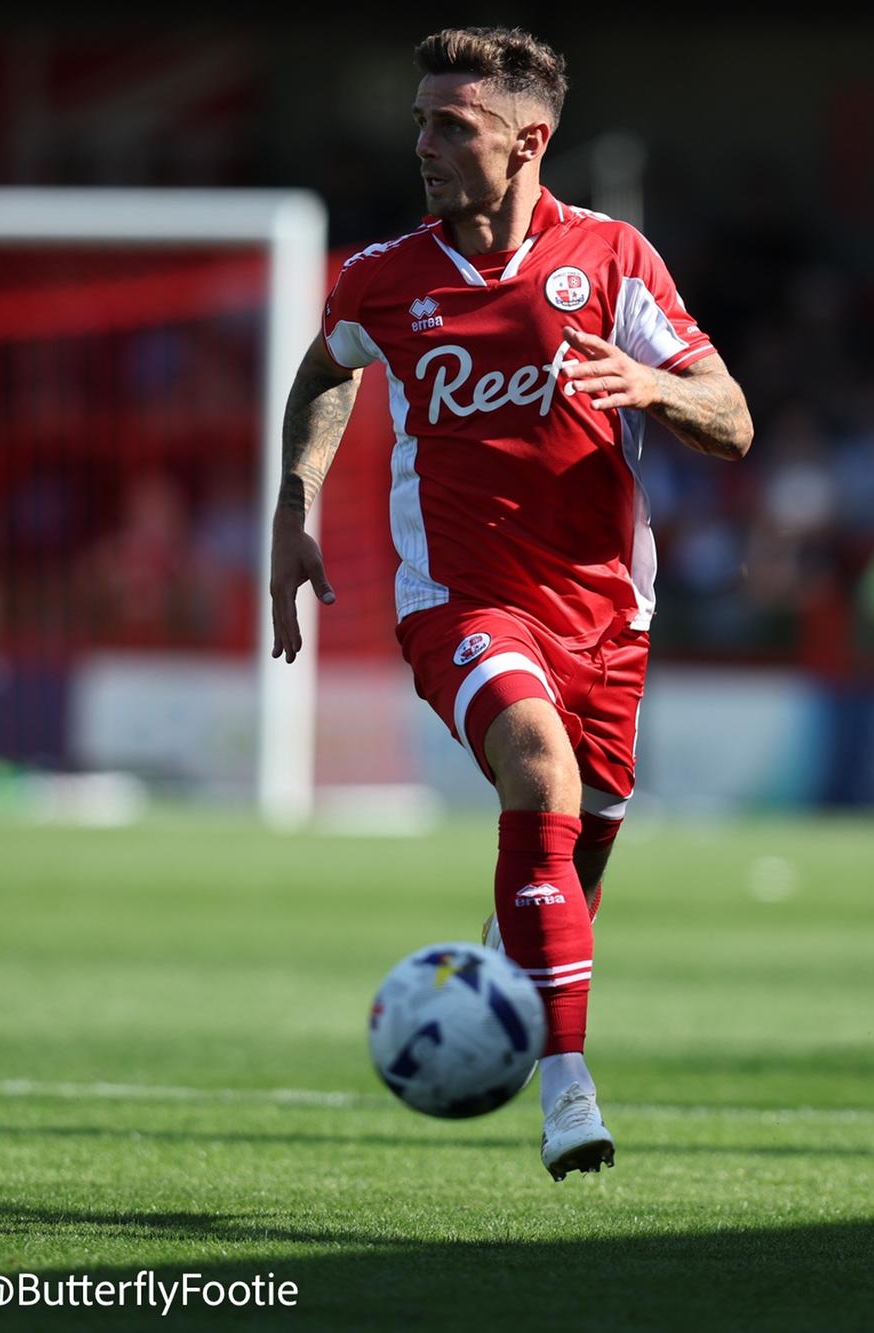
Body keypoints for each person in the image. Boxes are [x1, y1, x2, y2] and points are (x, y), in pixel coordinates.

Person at [268, 27, 752, 1179]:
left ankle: (513, 959)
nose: (424, 145)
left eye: (452, 125)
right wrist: (294, 505)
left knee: (572, 863)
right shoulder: (385, 276)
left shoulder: (612, 260)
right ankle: (566, 1088)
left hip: (607, 616)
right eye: (420, 122)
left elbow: (731, 419)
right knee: (536, 767)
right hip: (459, 599)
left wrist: (650, 385)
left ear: (527, 141)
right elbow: (328, 367)